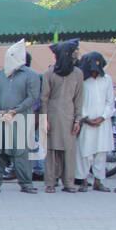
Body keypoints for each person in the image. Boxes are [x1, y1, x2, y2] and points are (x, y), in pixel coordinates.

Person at [0, 39, 41, 193]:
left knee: (21, 152)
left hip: (21, 119)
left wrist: (15, 111)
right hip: (0, 118)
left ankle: (26, 184)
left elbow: (32, 97)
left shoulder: (31, 75)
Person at [42, 39, 83, 193]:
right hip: (52, 117)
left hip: (70, 116)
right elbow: (44, 98)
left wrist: (78, 119)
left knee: (69, 150)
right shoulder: (49, 73)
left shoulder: (78, 74)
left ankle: (68, 183)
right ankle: (50, 183)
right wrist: (44, 119)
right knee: (52, 151)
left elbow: (79, 98)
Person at [75, 51, 112, 192]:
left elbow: (110, 102)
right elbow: (78, 101)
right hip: (86, 123)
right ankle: (83, 181)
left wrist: (103, 117)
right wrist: (86, 118)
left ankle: (98, 181)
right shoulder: (82, 80)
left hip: (103, 123)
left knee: (101, 153)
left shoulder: (107, 79)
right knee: (84, 153)